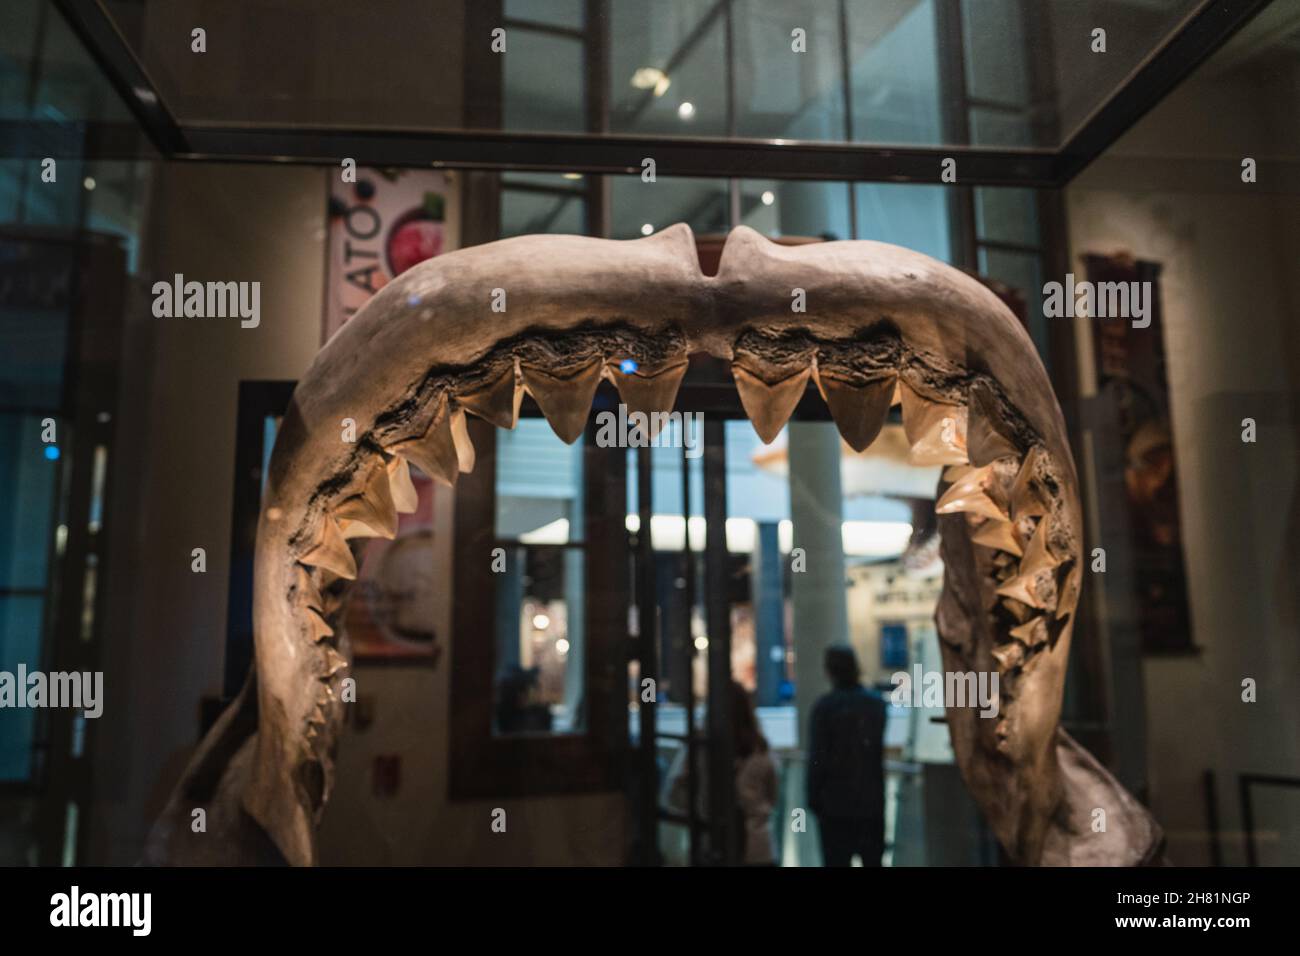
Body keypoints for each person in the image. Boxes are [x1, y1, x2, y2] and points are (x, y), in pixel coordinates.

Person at [662, 680, 779, 865]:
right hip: (757, 847)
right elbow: (772, 796)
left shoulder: (700, 747)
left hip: (711, 841)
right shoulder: (761, 749)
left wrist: (700, 804)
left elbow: (675, 793)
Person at [807, 644, 887, 866]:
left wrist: (814, 799)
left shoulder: (824, 708)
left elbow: (818, 759)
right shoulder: (876, 704)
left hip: (835, 807)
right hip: (871, 805)